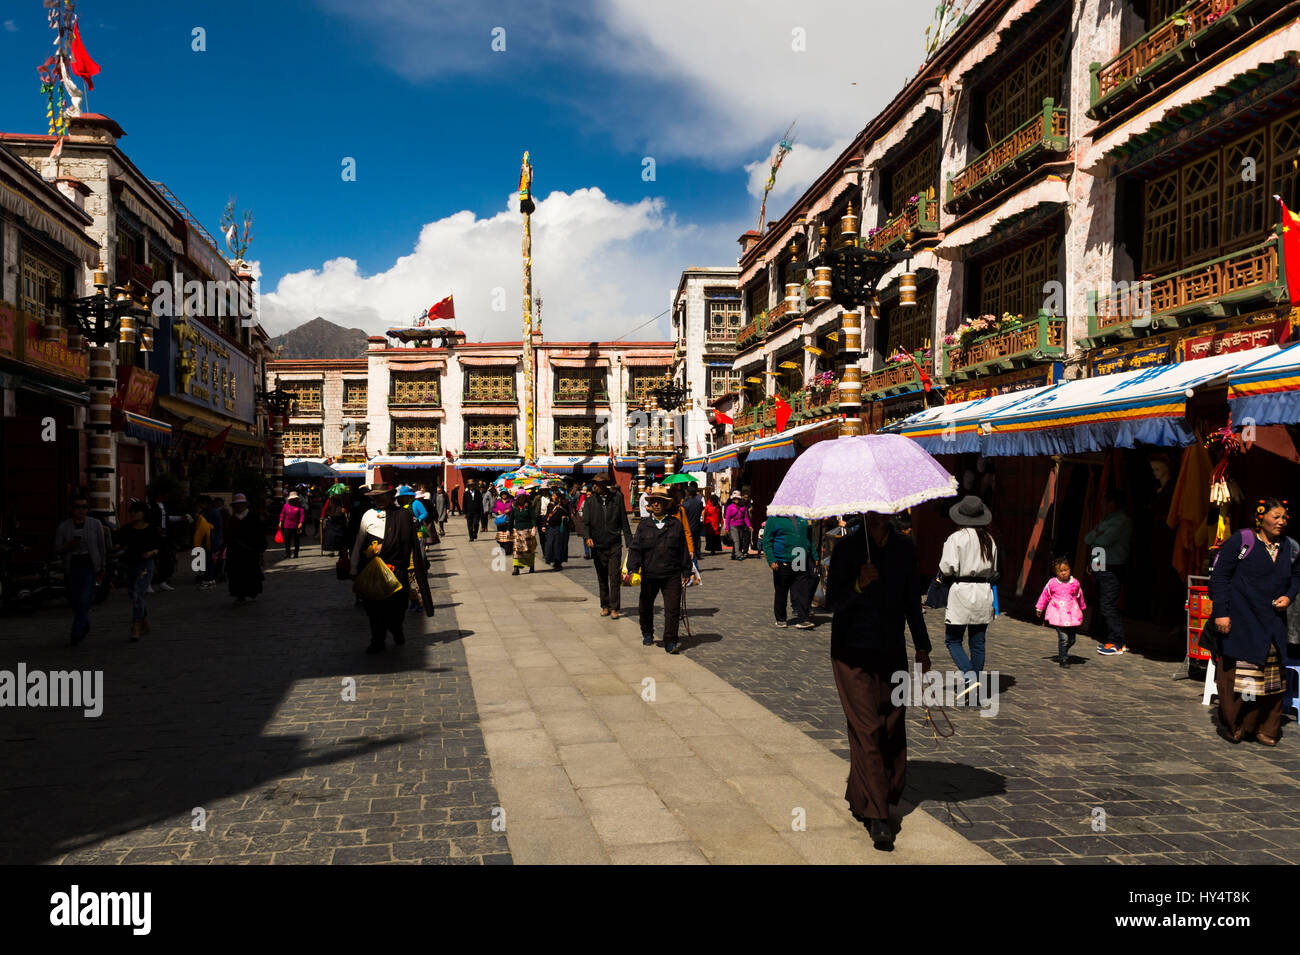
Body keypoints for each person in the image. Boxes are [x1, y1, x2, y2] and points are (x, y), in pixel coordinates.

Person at [826, 511, 931, 851]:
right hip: (851, 652)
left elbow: (912, 602)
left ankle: (866, 794)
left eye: (883, 515)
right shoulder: (846, 550)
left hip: (891, 648)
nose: (878, 520)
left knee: (891, 724)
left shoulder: (903, 549)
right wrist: (859, 584)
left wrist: (923, 646)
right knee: (867, 726)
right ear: (862, 514)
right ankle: (879, 816)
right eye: (871, 515)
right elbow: (833, 603)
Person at [1209, 498, 1299, 746]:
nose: (1281, 522)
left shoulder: (1289, 548)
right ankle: (1238, 726)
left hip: (1272, 623)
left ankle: (1265, 729)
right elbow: (1219, 577)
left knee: (1272, 679)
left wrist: (1289, 596)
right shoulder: (1242, 541)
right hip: (1242, 620)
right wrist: (1221, 613)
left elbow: (1296, 578)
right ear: (1260, 519)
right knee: (1243, 677)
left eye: (1284, 518)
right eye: (1276, 517)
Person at [350, 483, 433, 653]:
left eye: (383, 495)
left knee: (397, 608)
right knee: (374, 609)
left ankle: (396, 629)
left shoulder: (402, 515)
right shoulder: (368, 515)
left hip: (396, 570)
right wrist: (354, 567)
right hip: (372, 569)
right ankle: (377, 640)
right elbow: (359, 542)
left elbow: (407, 543)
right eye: (376, 496)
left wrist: (386, 547)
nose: (379, 499)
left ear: (390, 496)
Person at [938, 496, 999, 690]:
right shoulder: (989, 540)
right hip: (983, 591)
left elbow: (947, 568)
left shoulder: (956, 538)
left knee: (953, 640)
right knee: (977, 641)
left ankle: (969, 675)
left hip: (961, 591)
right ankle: (976, 684)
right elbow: (994, 570)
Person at [624, 485, 692, 653]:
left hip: (672, 573)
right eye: (654, 501)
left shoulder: (675, 524)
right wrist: (633, 568)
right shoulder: (644, 525)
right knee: (645, 606)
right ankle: (647, 632)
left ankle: (670, 640)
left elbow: (683, 549)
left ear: (666, 504)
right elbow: (636, 548)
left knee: (672, 609)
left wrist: (686, 571)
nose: (656, 504)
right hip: (650, 573)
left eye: (660, 501)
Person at [53, 495, 108, 646]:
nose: (81, 510)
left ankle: (76, 633)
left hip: (90, 566)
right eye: (78, 507)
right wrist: (67, 546)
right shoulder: (64, 527)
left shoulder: (95, 524)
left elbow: (101, 547)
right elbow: (57, 549)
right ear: (72, 509)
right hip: (71, 567)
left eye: (84, 507)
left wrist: (102, 567)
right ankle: (84, 623)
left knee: (85, 598)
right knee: (76, 601)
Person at [1086, 489, 1133, 655]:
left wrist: (1098, 535)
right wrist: (1097, 535)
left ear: (1114, 503)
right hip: (1100, 564)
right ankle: (1110, 636)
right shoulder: (1107, 519)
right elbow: (1089, 538)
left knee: (1108, 604)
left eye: (1106, 502)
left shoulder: (1121, 521)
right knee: (1103, 602)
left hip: (1111, 567)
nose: (1103, 505)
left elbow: (1103, 539)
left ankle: (1116, 642)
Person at [582, 474, 633, 618]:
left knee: (615, 577)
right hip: (598, 546)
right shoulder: (590, 501)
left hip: (614, 544)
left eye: (598, 484)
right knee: (602, 577)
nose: (595, 486)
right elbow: (585, 523)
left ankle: (615, 608)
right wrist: (587, 537)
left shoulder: (616, 499)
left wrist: (629, 542)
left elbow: (624, 521)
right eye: (594, 484)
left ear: (605, 484)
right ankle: (605, 605)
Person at [764, 511, 817, 629]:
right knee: (782, 592)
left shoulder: (802, 517)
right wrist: (771, 560)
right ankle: (781, 619)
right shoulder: (774, 519)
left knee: (802, 591)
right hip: (783, 560)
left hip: (800, 558)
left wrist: (814, 556)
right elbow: (767, 541)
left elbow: (809, 539)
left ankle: (803, 619)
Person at [119, 500, 161, 640]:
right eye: (132, 511)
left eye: (136, 511)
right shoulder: (126, 529)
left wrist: (151, 553)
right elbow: (120, 545)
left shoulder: (151, 529)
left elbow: (158, 547)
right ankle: (145, 620)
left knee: (138, 593)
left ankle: (135, 626)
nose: (133, 514)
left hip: (145, 564)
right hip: (129, 564)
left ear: (143, 513)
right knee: (133, 594)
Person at [1036, 556, 1086, 667]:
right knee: (1063, 638)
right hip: (1057, 614)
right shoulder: (1052, 583)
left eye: (1065, 570)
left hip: (1072, 615)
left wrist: (1082, 607)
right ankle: (1063, 659)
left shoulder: (1075, 583)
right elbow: (1045, 595)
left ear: (1069, 569)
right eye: (1060, 571)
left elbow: (1079, 595)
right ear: (1055, 572)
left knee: (1072, 640)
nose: (1063, 573)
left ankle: (1062, 652)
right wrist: (1040, 607)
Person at [226, 493, 267, 605]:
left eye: (241, 504)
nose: (239, 506)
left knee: (249, 573)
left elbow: (259, 534)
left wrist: (261, 548)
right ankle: (240, 595)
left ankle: (250, 592)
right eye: (236, 504)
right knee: (236, 574)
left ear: (245, 505)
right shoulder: (232, 519)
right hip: (235, 552)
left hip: (250, 551)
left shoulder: (253, 517)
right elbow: (228, 535)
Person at [510, 489, 538, 575]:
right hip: (517, 530)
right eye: (520, 497)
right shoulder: (514, 507)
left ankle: (531, 566)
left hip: (528, 530)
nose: (521, 499)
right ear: (517, 498)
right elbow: (511, 519)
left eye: (523, 497)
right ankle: (516, 568)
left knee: (529, 549)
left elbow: (533, 518)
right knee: (517, 550)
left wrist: (534, 527)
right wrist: (509, 529)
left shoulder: (529, 506)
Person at [542, 488, 571, 570]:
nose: (552, 497)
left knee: (558, 545)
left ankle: (558, 562)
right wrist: (544, 525)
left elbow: (569, 515)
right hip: (551, 527)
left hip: (560, 528)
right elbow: (547, 515)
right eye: (552, 495)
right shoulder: (550, 505)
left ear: (558, 497)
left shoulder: (564, 504)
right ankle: (552, 560)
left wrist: (565, 518)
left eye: (554, 495)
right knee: (550, 544)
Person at [724, 491, 752, 560]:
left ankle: (734, 554)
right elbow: (727, 518)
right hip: (733, 526)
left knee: (739, 540)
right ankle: (738, 555)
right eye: (735, 498)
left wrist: (749, 526)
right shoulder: (730, 507)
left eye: (737, 498)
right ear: (733, 499)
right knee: (736, 540)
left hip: (741, 526)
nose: (736, 500)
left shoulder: (743, 507)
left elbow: (746, 518)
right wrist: (726, 528)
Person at [278, 492, 305, 559]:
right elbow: (282, 514)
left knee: (296, 540)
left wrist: (301, 523)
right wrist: (280, 521)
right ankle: (288, 554)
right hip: (287, 526)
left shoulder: (299, 507)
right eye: (292, 499)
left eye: (294, 498)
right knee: (287, 539)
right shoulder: (285, 506)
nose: (293, 500)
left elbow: (302, 515)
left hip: (296, 526)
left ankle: (296, 553)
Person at [682, 483, 704, 558]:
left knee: (688, 547)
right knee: (695, 544)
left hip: (688, 527)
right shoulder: (699, 503)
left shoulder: (685, 504)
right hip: (697, 526)